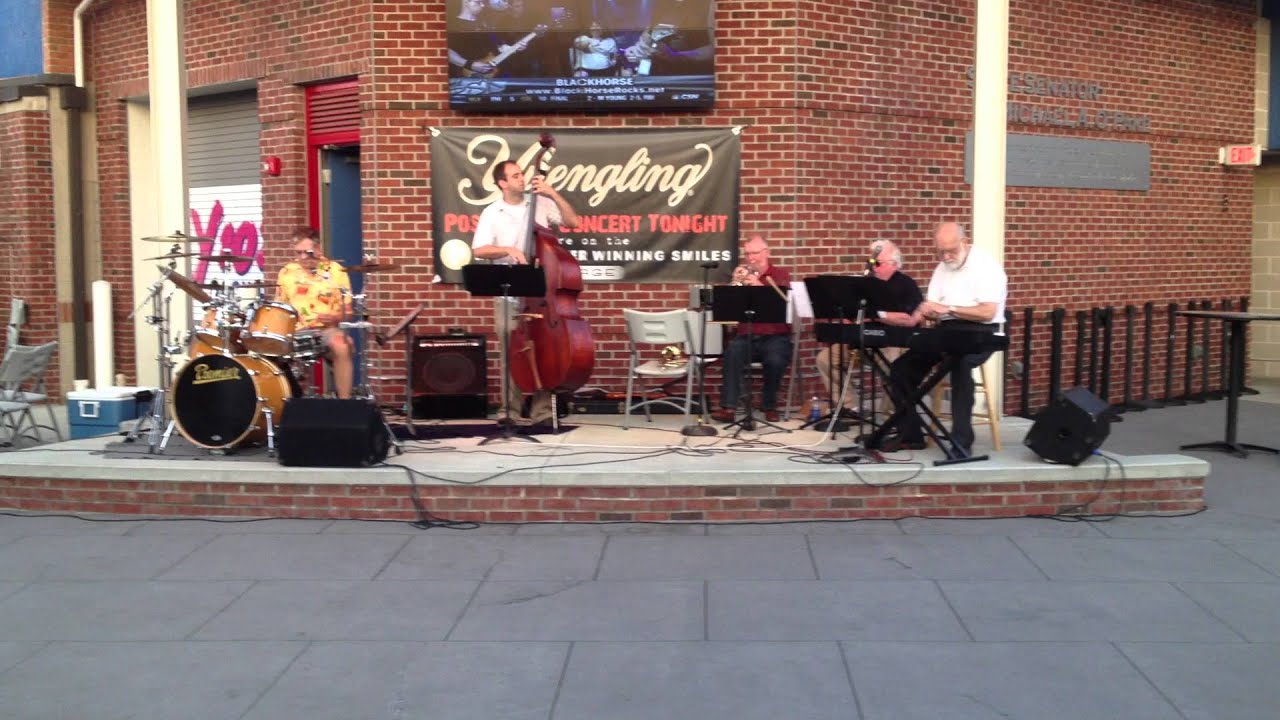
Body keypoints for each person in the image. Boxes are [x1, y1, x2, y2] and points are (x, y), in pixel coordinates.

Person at [881, 222, 1008, 453]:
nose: (946, 257)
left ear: (965, 242)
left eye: (951, 250)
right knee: (901, 370)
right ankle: (911, 434)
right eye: (941, 251)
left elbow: (987, 312)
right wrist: (925, 311)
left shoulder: (986, 266)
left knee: (959, 364)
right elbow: (934, 305)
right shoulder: (942, 268)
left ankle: (961, 442)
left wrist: (949, 309)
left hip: (982, 332)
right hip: (948, 330)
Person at [471, 159, 581, 425]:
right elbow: (479, 250)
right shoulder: (492, 212)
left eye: (522, 174)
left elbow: (573, 222)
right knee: (511, 352)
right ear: (502, 183)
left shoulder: (540, 204)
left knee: (546, 349)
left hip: (541, 295)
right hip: (508, 294)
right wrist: (508, 250)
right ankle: (509, 411)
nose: (522, 178)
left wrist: (552, 193)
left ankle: (542, 412)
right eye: (515, 176)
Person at [814, 240, 922, 408]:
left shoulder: (906, 284)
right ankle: (851, 407)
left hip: (892, 342)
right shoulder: (865, 283)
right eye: (870, 263)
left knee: (896, 366)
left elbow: (908, 319)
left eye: (877, 263)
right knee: (825, 360)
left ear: (893, 264)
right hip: (862, 340)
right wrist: (849, 316)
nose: (873, 268)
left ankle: (893, 412)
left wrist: (876, 315)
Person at [712, 234, 792, 424]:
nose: (750, 258)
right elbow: (729, 309)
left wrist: (758, 285)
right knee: (731, 353)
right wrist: (734, 284)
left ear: (766, 252)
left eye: (754, 253)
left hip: (775, 335)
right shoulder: (743, 274)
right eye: (747, 254)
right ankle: (729, 407)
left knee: (775, 360)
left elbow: (783, 304)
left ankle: (769, 406)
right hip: (746, 334)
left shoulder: (780, 274)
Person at [274, 226, 355, 399]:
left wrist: (335, 317)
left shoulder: (336, 271)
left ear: (318, 249)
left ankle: (345, 403)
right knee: (270, 351)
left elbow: (348, 312)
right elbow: (280, 309)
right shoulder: (287, 272)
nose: (303, 257)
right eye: (298, 253)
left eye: (308, 252)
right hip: (296, 331)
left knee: (343, 345)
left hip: (326, 330)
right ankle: (286, 402)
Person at [622, 0, 714, 76]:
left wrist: (675, 55)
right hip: (657, 78)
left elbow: (716, 50)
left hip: (688, 79)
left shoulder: (710, 4)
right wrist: (638, 49)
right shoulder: (663, 4)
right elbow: (649, 37)